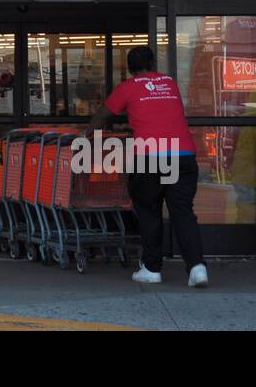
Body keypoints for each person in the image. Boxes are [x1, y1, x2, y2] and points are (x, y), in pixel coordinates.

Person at [89, 45, 208, 287]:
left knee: (149, 211)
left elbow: (103, 115)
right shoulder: (170, 84)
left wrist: (89, 134)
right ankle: (197, 268)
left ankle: (152, 268)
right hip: (181, 154)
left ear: (129, 69)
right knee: (182, 212)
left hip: (149, 158)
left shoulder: (128, 87)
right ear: (153, 64)